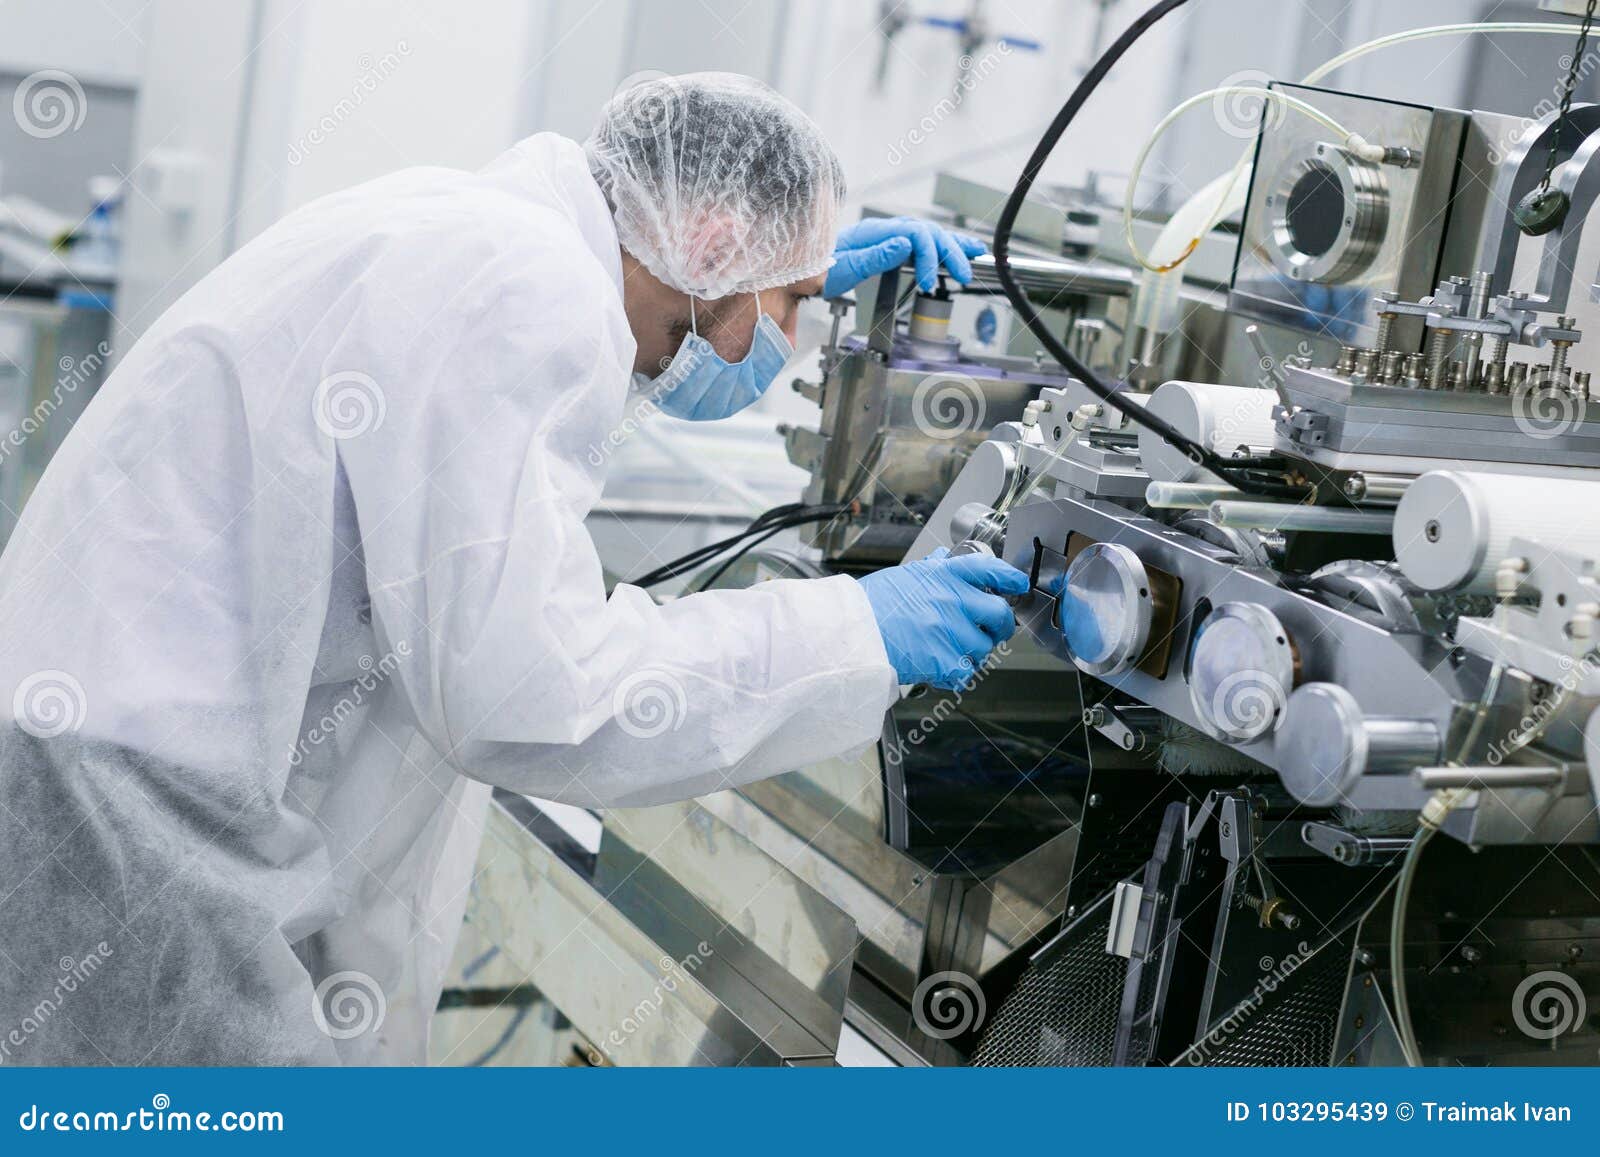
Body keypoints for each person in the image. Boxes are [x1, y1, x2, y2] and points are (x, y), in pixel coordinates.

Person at [0, 72, 1027, 1064]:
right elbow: (533, 691)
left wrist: (769, 276)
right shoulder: (523, 286)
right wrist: (855, 631)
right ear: (714, 241)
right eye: (793, 302)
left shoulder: (495, 237)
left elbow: (493, 452)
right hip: (140, 803)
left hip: (124, 748)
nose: (789, 340)